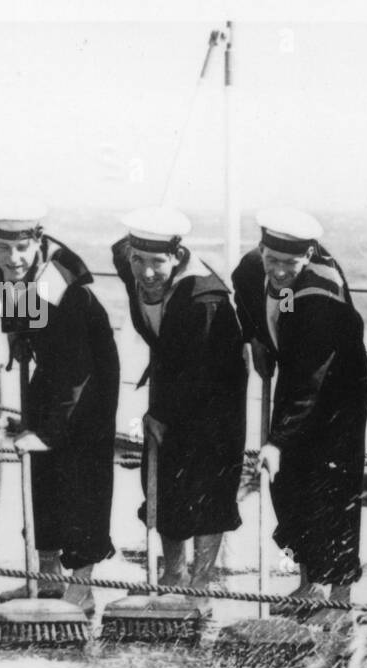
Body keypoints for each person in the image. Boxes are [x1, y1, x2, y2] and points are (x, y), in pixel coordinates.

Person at [232, 209, 367, 615]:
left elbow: (309, 382)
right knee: (288, 486)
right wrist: (255, 336)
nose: (278, 271)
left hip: (338, 395)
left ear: (308, 256)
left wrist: (277, 441)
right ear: (262, 249)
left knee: (331, 489)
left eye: (288, 264)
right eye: (271, 259)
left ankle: (340, 596)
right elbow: (249, 295)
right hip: (294, 381)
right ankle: (309, 584)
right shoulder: (251, 268)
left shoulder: (321, 294)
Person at [0, 201, 120, 614]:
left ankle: (81, 587)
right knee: (42, 473)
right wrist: (16, 335)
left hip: (89, 385)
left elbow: (75, 374)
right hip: (50, 372)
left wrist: (46, 433)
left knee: (81, 478)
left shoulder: (62, 292)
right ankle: (47, 580)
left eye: (22, 248)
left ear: (38, 243)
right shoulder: (11, 269)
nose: (13, 258)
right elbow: (16, 305)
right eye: (4, 249)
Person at [112, 207, 247, 590]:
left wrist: (161, 415)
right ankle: (174, 574)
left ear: (177, 256)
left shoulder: (204, 299)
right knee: (164, 484)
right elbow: (118, 253)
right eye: (139, 260)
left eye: (158, 262)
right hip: (171, 385)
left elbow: (201, 373)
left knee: (208, 490)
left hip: (216, 399)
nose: (147, 272)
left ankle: (201, 582)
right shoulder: (132, 265)